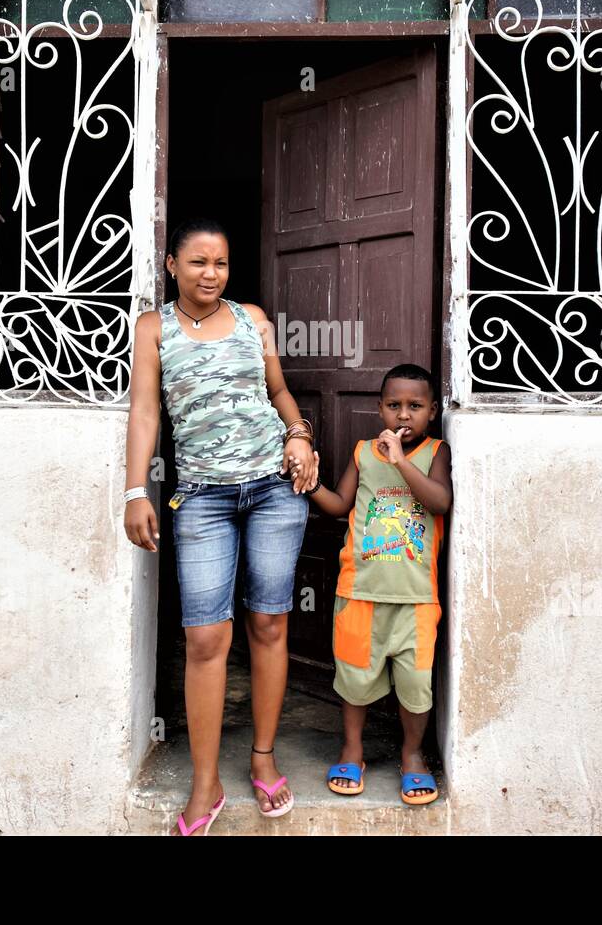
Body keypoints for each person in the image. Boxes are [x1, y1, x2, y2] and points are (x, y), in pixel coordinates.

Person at [122, 217, 320, 836]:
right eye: (200, 263)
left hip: (274, 490)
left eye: (222, 263)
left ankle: (262, 757)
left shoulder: (254, 320)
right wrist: (136, 490)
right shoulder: (152, 329)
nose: (212, 274)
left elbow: (280, 392)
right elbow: (146, 412)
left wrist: (300, 436)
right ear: (173, 266)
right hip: (202, 498)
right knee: (206, 639)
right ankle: (204, 782)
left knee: (269, 621)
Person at [305, 363, 452, 805]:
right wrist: (309, 483)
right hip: (360, 592)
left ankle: (412, 755)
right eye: (394, 406)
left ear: (432, 411)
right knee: (355, 679)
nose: (403, 416)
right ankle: (352, 749)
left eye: (415, 407)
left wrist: (401, 462)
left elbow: (440, 502)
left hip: (415, 599)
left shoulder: (435, 452)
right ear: (379, 409)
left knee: (415, 685)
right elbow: (338, 505)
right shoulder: (363, 452)